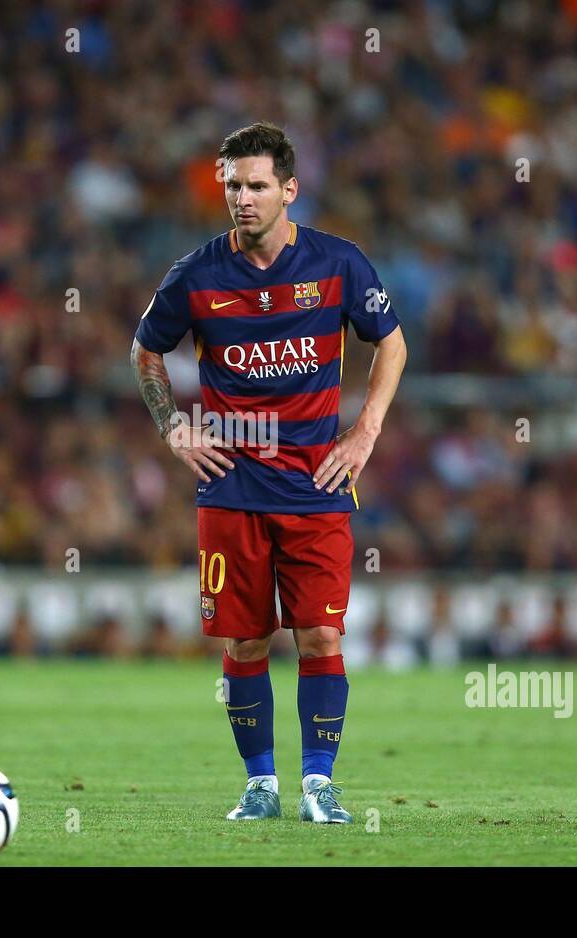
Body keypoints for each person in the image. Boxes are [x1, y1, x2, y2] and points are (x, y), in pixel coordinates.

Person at [130, 122, 407, 824]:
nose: (242, 199)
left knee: (321, 637)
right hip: (231, 487)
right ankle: (260, 784)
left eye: (256, 186)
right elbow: (145, 352)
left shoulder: (338, 264)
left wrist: (365, 432)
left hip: (316, 487)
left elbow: (392, 344)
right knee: (244, 640)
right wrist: (174, 427)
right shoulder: (194, 276)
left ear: (289, 189)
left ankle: (319, 782)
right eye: (232, 186)